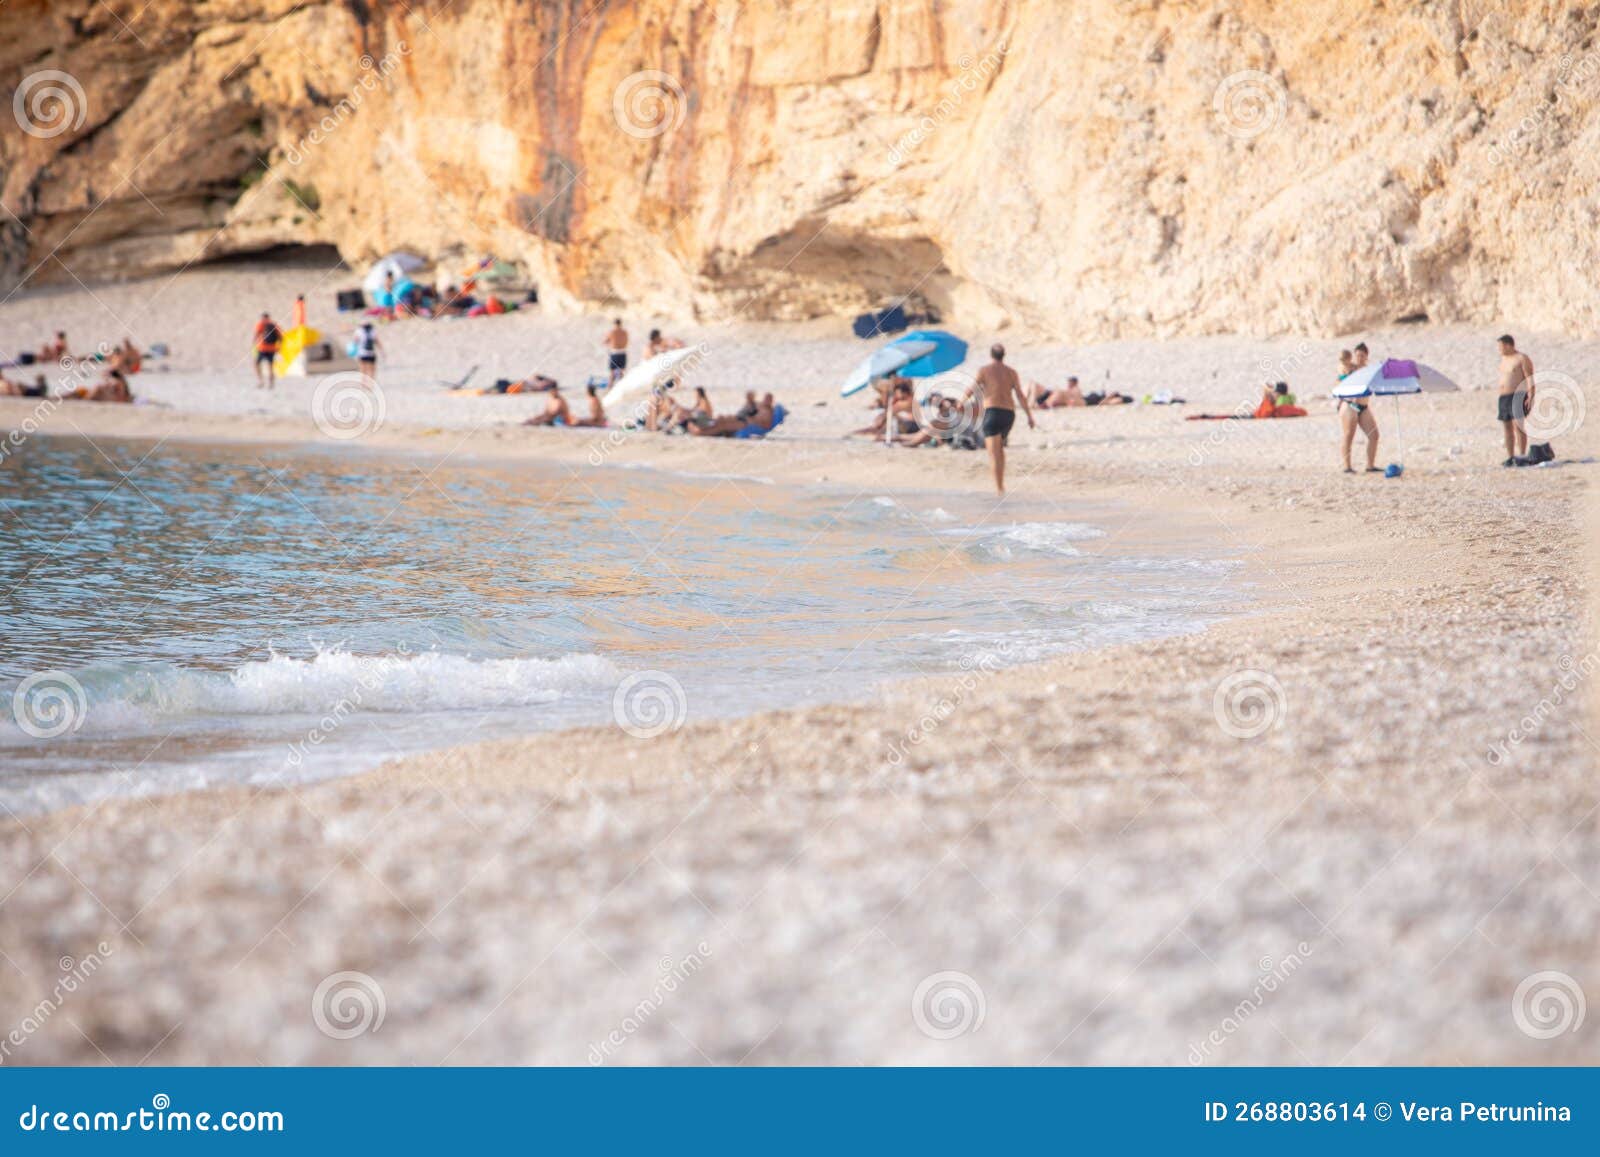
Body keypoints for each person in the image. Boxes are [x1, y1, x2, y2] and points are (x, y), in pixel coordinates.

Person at [967, 343, 1035, 494]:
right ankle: (1001, 485)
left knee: (993, 453)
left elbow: (972, 389)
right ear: (1004, 355)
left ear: (991, 355)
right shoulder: (1011, 372)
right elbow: (1020, 395)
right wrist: (1029, 416)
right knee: (1000, 450)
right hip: (1009, 415)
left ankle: (999, 489)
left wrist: (960, 402)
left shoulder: (984, 370)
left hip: (992, 412)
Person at [1496, 334, 1549, 465]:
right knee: (1507, 427)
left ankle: (1522, 454)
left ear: (1509, 345)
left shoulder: (1521, 358)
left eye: (1501, 346)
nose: (1499, 349)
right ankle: (1511, 456)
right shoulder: (1504, 359)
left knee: (1518, 425)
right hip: (1504, 397)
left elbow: (1529, 377)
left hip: (1518, 395)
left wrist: (1531, 395)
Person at [252, 313, 282, 388]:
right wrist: (279, 348)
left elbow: (256, 335)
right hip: (272, 349)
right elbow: (281, 337)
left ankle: (261, 381)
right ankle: (271, 384)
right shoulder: (274, 325)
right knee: (270, 366)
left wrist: (254, 345)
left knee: (256, 364)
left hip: (262, 348)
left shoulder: (260, 324)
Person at [354, 322, 381, 386]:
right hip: (371, 354)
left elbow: (355, 342)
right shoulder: (373, 331)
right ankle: (371, 383)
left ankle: (363, 382)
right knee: (372, 370)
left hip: (362, 353)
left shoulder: (359, 331)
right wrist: (382, 352)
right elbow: (377, 342)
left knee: (363, 369)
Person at [605, 318, 629, 384]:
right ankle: (621, 388)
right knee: (621, 372)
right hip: (623, 352)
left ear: (614, 324)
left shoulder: (612, 332)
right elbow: (626, 342)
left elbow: (605, 341)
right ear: (621, 324)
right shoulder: (625, 332)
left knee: (612, 373)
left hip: (614, 353)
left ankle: (610, 388)